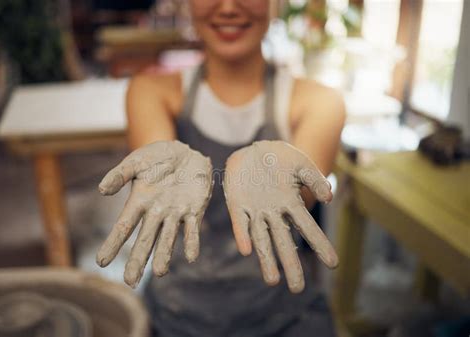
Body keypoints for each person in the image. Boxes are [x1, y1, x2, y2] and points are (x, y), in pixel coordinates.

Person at [97, 0, 346, 336]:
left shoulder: (319, 102)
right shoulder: (151, 91)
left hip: (284, 316)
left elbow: (301, 196)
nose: (228, 8)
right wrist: (172, 175)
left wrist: (269, 174)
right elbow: (158, 167)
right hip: (175, 314)